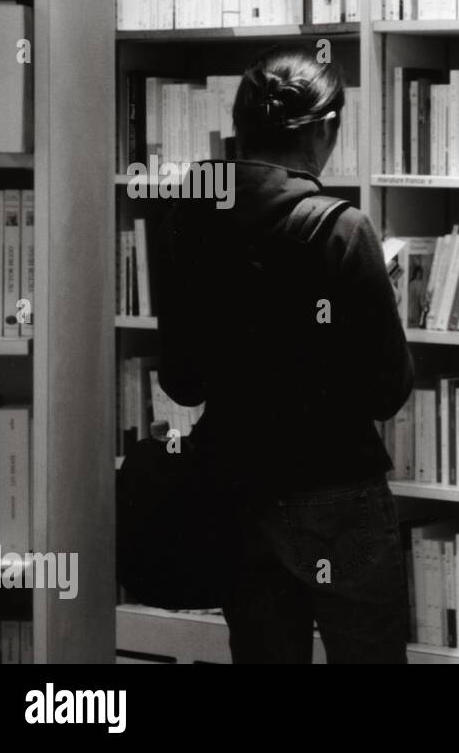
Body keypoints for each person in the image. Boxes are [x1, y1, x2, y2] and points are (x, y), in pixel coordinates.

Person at [155, 47, 414, 663]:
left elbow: (184, 382)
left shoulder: (186, 220)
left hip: (236, 488)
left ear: (241, 131)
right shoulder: (342, 230)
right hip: (334, 492)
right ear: (324, 131)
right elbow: (387, 390)